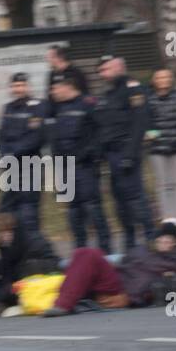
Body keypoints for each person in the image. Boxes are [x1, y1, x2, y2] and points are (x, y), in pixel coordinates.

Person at [43, 222, 176, 315]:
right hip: (117, 278)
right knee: (82, 254)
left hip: (125, 292)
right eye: (162, 239)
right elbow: (123, 262)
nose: (164, 243)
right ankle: (61, 298)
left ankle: (63, 305)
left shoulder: (175, 262)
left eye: (169, 241)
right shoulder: (142, 250)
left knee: (88, 254)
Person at [48, 69, 111, 253]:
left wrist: (90, 155)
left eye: (56, 88)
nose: (53, 92)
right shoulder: (57, 109)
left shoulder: (88, 103)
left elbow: (100, 134)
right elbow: (56, 141)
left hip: (85, 168)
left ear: (68, 87)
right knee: (73, 213)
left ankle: (105, 251)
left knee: (93, 209)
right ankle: (80, 251)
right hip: (65, 168)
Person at [94, 55, 153, 251]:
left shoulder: (132, 88)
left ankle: (151, 238)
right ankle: (130, 242)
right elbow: (104, 127)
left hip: (127, 152)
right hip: (111, 155)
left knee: (136, 199)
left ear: (119, 67)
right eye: (101, 70)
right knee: (120, 202)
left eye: (107, 69)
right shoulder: (108, 94)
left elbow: (140, 122)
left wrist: (130, 154)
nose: (103, 74)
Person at [0, 72, 45, 234]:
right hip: (11, 168)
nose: (18, 89)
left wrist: (12, 152)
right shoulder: (8, 108)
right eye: (15, 86)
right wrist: (4, 154)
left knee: (29, 212)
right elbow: (1, 135)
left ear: (28, 87)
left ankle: (35, 249)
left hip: (30, 167)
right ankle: (17, 248)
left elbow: (35, 138)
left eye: (22, 85)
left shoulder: (37, 106)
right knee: (8, 211)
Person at [145, 68, 176, 226]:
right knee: (162, 183)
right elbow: (147, 122)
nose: (163, 80)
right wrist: (152, 136)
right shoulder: (149, 99)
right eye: (159, 77)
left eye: (166, 77)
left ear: (171, 79)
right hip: (157, 149)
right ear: (154, 80)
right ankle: (166, 216)